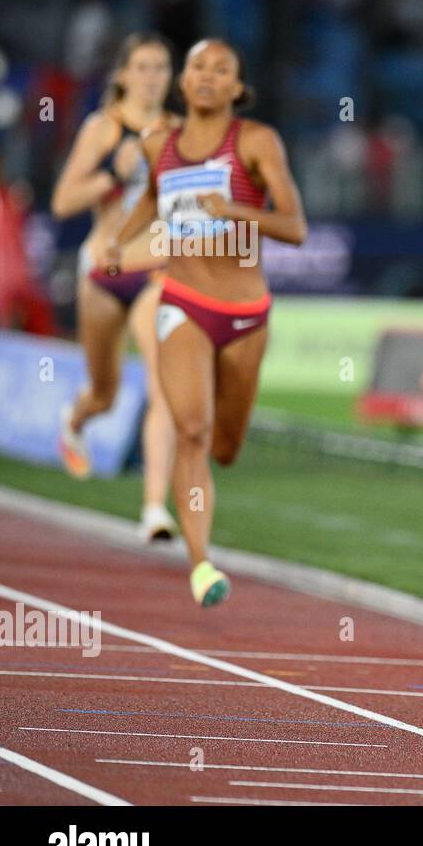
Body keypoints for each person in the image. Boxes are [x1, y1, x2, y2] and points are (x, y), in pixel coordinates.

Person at [100, 38, 307, 606]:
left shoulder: (257, 142)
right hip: (183, 302)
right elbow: (151, 197)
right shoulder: (156, 144)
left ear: (238, 89)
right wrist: (120, 238)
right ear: (183, 83)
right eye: (198, 67)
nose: (209, 75)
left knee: (225, 445)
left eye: (223, 69)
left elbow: (294, 226)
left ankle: (222, 452)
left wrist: (236, 212)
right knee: (190, 430)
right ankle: (201, 564)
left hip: (244, 315)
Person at [51, 32, 180, 541]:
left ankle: (153, 509)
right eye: (143, 67)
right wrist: (112, 173)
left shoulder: (179, 132)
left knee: (162, 386)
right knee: (105, 393)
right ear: (123, 74)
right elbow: (62, 202)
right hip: (104, 274)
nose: (152, 77)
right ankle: (76, 417)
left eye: (161, 67)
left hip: (154, 274)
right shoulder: (103, 129)